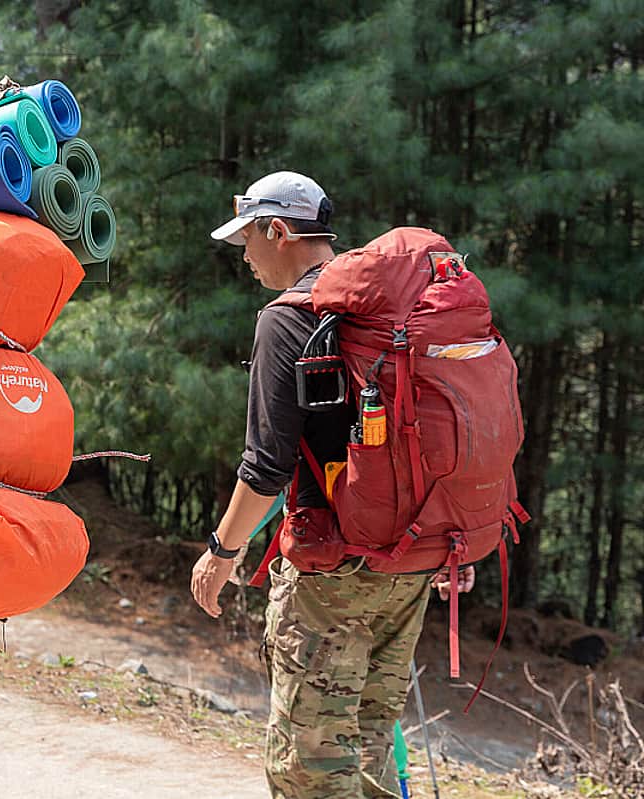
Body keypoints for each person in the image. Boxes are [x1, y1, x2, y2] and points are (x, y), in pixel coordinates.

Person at [189, 172, 474, 798]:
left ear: (279, 230)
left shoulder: (289, 320)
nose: (244, 255)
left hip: (332, 572)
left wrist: (221, 550)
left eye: (247, 240)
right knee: (370, 746)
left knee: (310, 766)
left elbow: (266, 466)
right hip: (411, 563)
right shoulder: (392, 312)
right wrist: (456, 529)